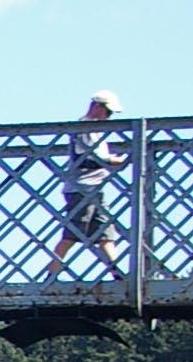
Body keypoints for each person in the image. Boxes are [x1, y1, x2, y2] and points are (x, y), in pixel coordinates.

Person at [44, 89, 130, 277]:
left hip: (95, 188)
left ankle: (118, 275)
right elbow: (88, 159)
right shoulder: (84, 128)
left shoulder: (94, 131)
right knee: (71, 235)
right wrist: (115, 161)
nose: (108, 117)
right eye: (108, 112)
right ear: (97, 106)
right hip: (82, 188)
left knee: (106, 234)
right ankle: (51, 276)